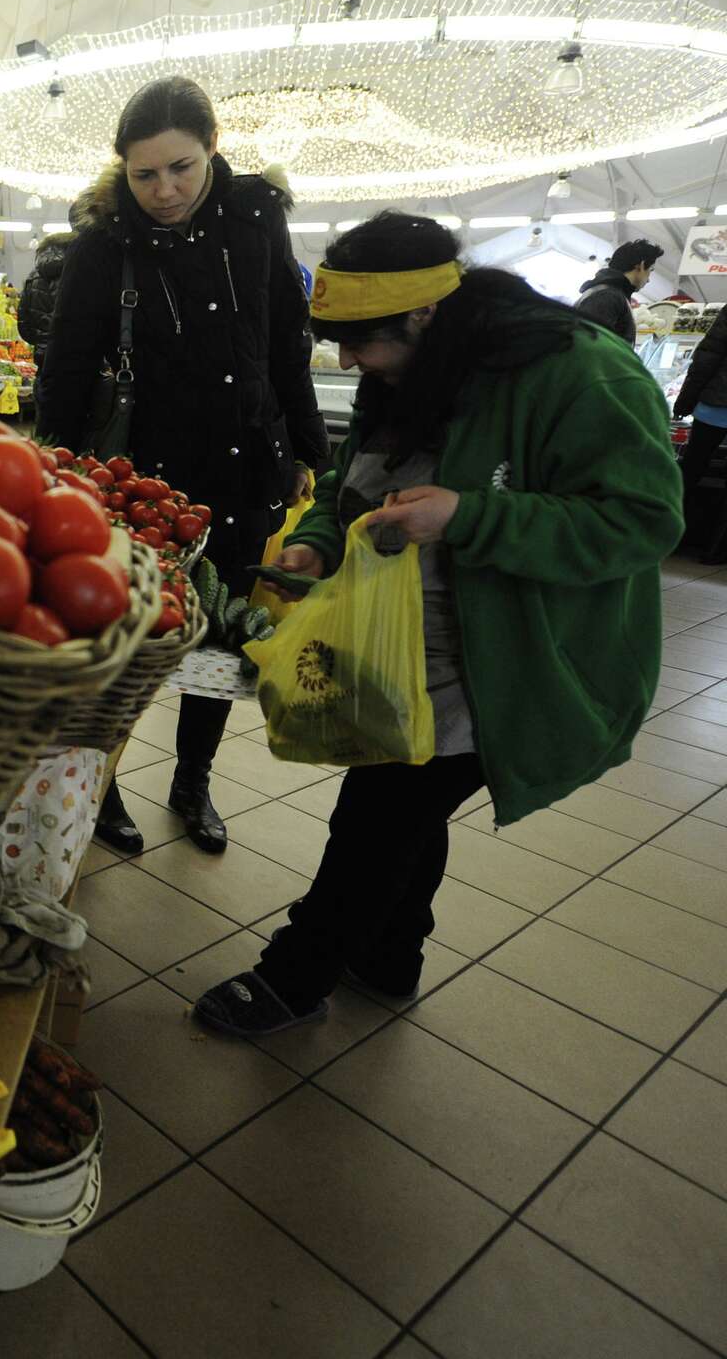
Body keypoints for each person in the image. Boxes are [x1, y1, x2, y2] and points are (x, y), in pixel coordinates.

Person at [191, 212, 683, 1037]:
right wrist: (315, 542)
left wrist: (469, 516)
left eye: (359, 341)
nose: (346, 362)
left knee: (377, 816)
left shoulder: (580, 375)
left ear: (425, 314)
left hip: (508, 657)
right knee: (405, 815)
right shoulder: (410, 370)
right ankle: (389, 956)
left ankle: (294, 977)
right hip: (400, 641)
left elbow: (641, 520)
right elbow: (355, 473)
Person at [40, 76, 327, 854]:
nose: (164, 190)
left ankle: (193, 779)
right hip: (145, 483)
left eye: (182, 168)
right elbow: (66, 367)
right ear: (121, 172)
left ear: (213, 151)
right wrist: (49, 473)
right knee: (124, 640)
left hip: (246, 466)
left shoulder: (257, 219)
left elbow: (285, 344)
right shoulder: (104, 244)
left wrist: (306, 449)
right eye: (145, 175)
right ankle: (102, 785)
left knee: (221, 639)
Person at [674, 306, 727, 560]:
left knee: (691, 470)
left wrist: (685, 400)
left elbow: (707, 358)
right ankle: (716, 550)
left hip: (714, 405)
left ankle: (668, 535)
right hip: (715, 404)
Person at [574, 241, 663, 343]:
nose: (648, 280)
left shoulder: (606, 291)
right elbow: (592, 344)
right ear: (641, 266)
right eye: (650, 271)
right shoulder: (608, 296)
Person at [16, 230, 73, 362]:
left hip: (44, 358)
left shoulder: (33, 277)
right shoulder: (78, 272)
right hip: (76, 358)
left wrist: (41, 341)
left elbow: (24, 327)